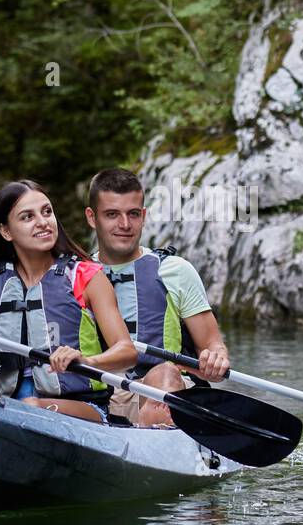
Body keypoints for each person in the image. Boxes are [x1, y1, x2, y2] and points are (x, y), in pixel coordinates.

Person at [0, 180, 137, 423]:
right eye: (27, 217)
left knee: (30, 407)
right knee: (17, 406)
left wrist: (86, 361)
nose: (43, 222)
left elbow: (126, 351)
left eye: (47, 212)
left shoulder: (86, 276)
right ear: (6, 231)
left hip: (82, 407)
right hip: (3, 404)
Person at [84, 168, 231, 427]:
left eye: (133, 214)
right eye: (111, 215)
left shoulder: (176, 270)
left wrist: (216, 358)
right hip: (102, 393)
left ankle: (161, 443)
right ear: (92, 218)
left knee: (164, 375)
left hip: (167, 388)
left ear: (143, 216)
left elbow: (212, 344)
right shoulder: (75, 274)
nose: (125, 225)